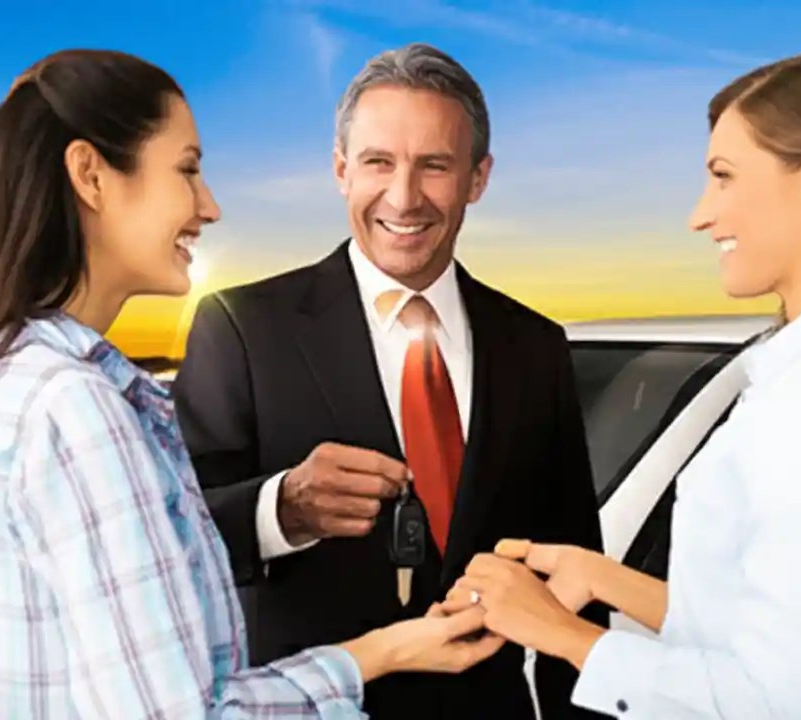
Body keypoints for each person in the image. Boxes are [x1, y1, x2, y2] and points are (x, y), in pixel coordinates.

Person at [0, 48, 504, 719]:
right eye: (187, 169)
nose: (209, 205)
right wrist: (377, 652)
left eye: (434, 163)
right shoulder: (75, 408)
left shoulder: (13, 380)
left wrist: (387, 650)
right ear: (91, 175)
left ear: (475, 177)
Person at [440, 50, 801, 719]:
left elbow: (775, 699)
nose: (702, 215)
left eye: (724, 178)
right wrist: (603, 578)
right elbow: (772, 641)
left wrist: (559, 633)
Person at [171, 43, 606, 719]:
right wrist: (277, 510)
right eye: (378, 163)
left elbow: (574, 574)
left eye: (434, 165)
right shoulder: (242, 327)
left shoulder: (535, 346)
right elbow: (171, 545)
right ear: (342, 171)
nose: (403, 197)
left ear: (477, 178)